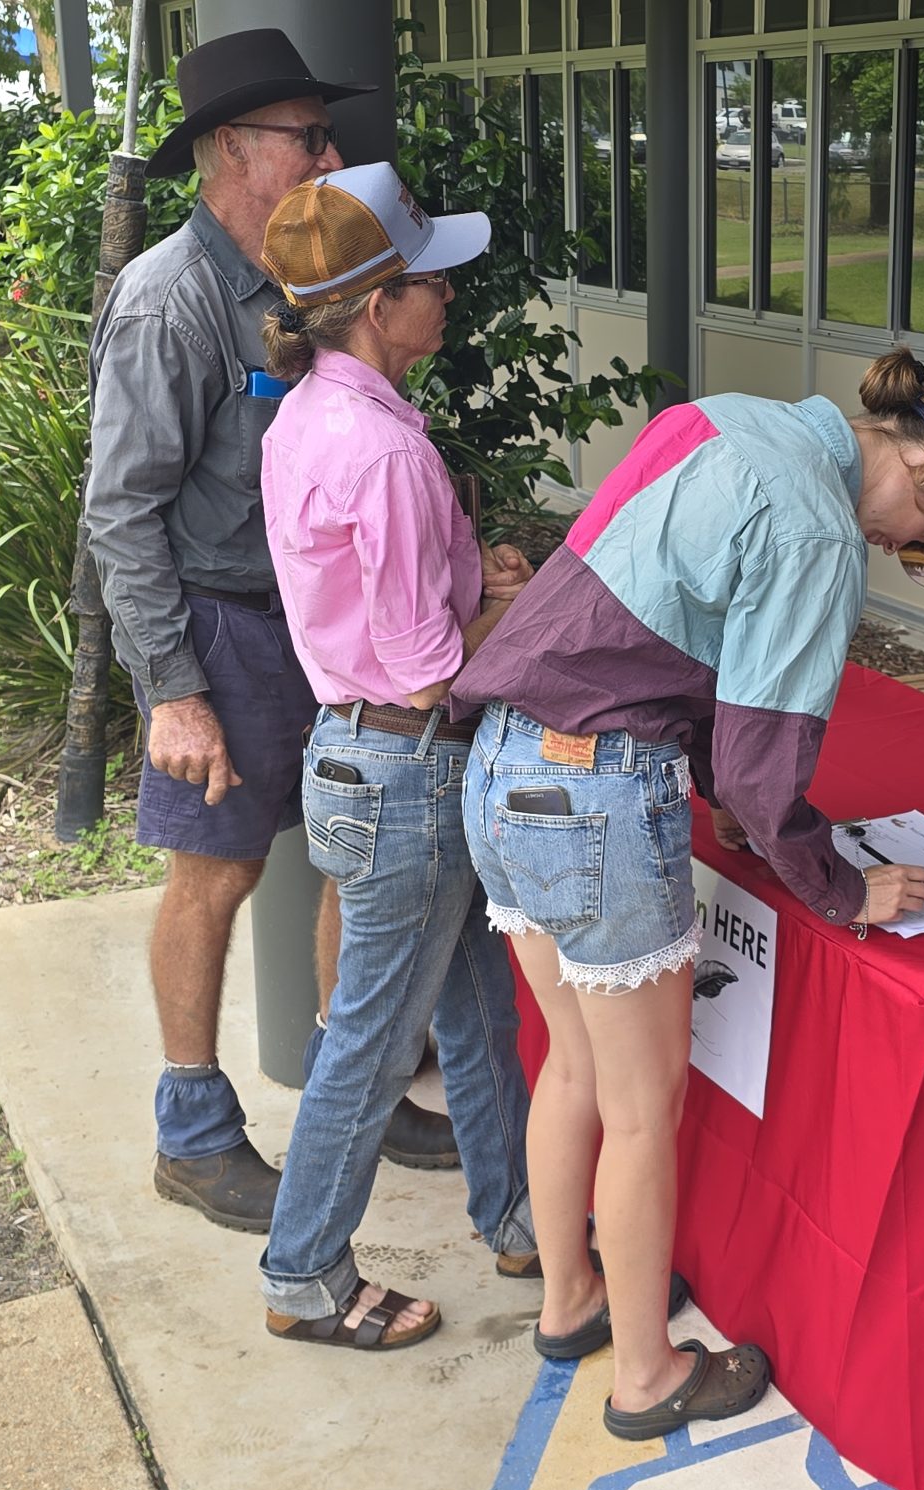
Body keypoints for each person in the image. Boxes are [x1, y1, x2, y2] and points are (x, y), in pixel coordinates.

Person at [455, 349, 924, 1436]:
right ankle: (645, 1376)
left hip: (502, 768)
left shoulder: (721, 416)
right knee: (641, 1111)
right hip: (606, 795)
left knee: (572, 1064)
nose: (904, 546)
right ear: (919, 465)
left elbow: (666, 642)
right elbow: (762, 769)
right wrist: (840, 889)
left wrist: (730, 799)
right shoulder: (813, 524)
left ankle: (571, 1298)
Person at [84, 29, 457, 1236]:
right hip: (218, 625)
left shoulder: (304, 277)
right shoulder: (168, 300)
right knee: (218, 872)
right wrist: (171, 692)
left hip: (310, 628)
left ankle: (367, 1085)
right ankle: (192, 1132)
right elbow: (121, 511)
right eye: (307, 135)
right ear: (229, 150)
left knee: (354, 852)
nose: (330, 153)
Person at [251, 162, 538, 1348]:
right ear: (377, 307)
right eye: (432, 282)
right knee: (369, 1045)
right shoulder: (388, 454)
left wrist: (478, 585)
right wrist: (512, 610)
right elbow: (431, 666)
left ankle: (521, 1212)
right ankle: (304, 1275)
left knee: (471, 1009)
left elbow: (384, 622)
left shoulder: (307, 416)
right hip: (409, 762)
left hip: (358, 756)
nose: (450, 299)